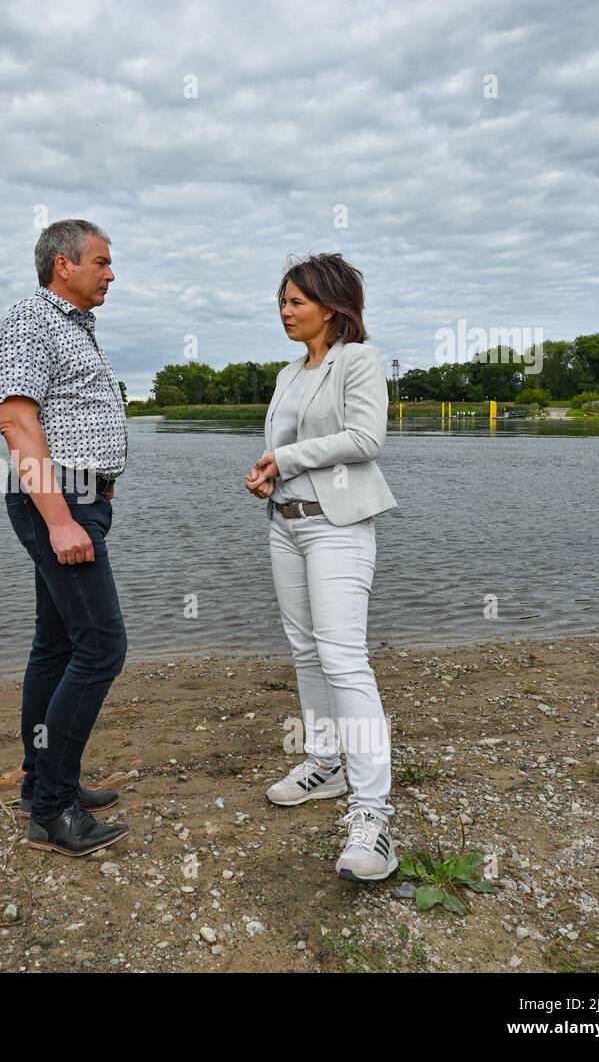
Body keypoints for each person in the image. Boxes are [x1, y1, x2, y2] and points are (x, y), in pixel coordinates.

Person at [246, 253, 400, 882]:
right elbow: (287, 453)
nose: (284, 312)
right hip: (286, 525)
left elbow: (367, 439)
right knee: (306, 651)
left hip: (338, 528)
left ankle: (373, 818)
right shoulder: (289, 373)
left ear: (332, 307)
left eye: (295, 303)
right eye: (281, 302)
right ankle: (324, 764)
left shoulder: (358, 361)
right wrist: (269, 477)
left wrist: (284, 457)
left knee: (343, 659)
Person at [0, 219, 130, 857]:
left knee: (55, 646)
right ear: (62, 266)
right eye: (100, 261)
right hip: (58, 503)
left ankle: (41, 780)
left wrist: (98, 485)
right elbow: (18, 423)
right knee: (101, 647)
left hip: (79, 496)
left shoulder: (75, 327)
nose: (110, 273)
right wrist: (61, 518)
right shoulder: (31, 320)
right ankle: (53, 809)